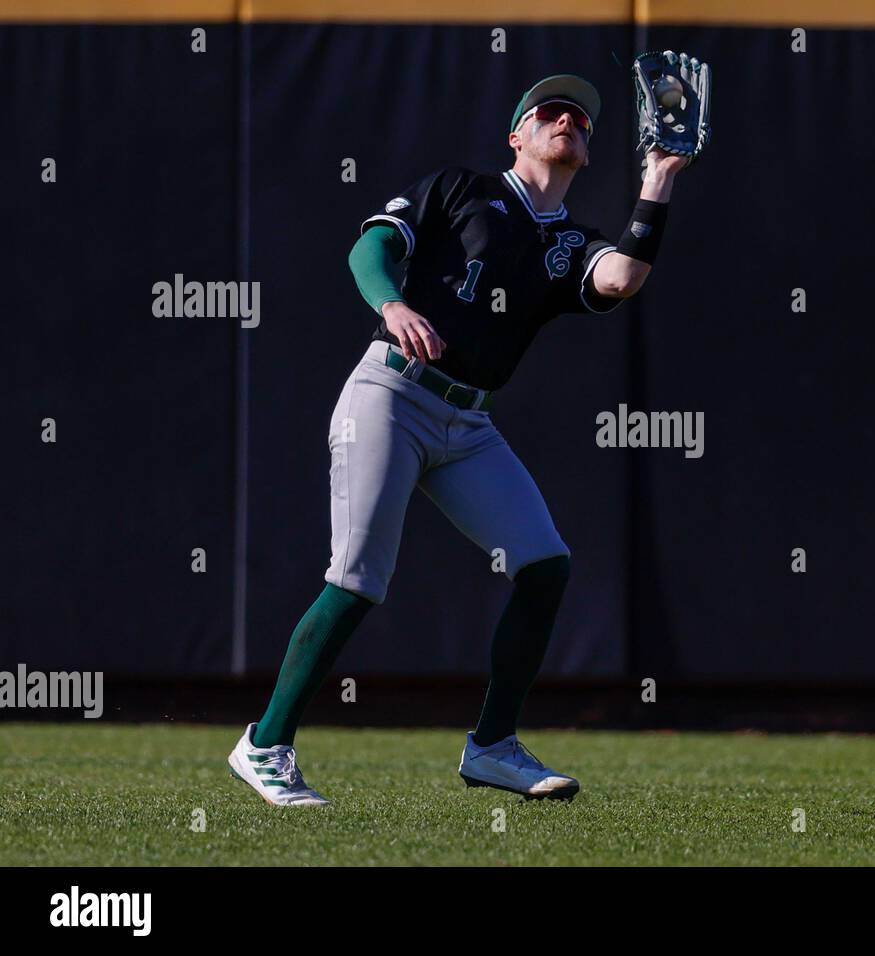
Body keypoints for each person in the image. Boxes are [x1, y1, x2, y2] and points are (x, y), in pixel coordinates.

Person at [228, 72, 689, 804]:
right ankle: (265, 744)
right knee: (356, 579)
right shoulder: (459, 187)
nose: (568, 120)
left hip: (467, 419)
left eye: (581, 119)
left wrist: (659, 180)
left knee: (545, 566)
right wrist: (393, 303)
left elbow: (622, 279)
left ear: (589, 153)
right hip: (391, 391)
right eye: (551, 111)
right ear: (518, 135)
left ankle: (493, 748)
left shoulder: (572, 240)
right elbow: (368, 251)